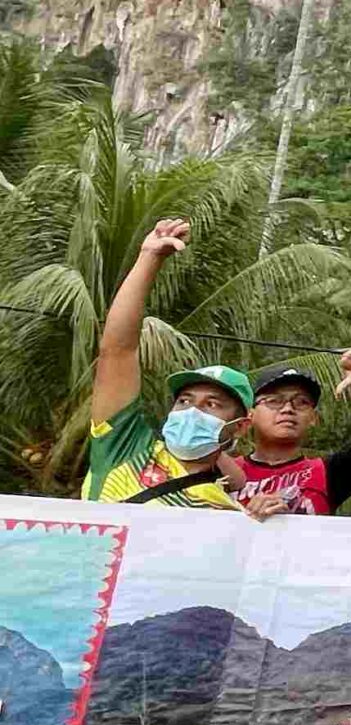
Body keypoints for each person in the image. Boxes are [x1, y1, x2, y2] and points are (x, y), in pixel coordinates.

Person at [82, 218, 264, 513]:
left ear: (240, 426)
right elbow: (117, 351)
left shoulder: (226, 514)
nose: (192, 411)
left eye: (212, 405)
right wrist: (149, 258)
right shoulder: (124, 447)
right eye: (184, 400)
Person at [233, 346, 351, 515]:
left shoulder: (329, 472)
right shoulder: (222, 469)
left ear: (313, 418)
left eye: (301, 402)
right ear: (250, 415)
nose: (288, 409)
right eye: (274, 401)